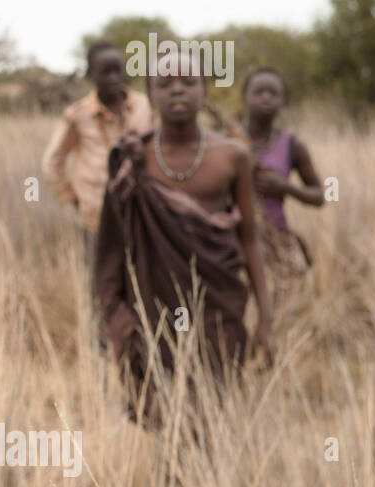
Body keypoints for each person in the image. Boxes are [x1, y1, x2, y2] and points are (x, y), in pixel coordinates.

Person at [93, 47, 272, 428]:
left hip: (217, 307)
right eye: (165, 83)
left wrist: (266, 319)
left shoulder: (233, 156)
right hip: (152, 309)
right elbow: (110, 248)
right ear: (150, 95)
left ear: (205, 92)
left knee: (212, 410)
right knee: (161, 413)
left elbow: (250, 240)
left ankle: (210, 467)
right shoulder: (130, 159)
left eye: (189, 82)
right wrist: (113, 313)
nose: (177, 89)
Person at [231, 67, 323, 314]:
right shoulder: (227, 140)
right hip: (232, 241)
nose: (266, 98)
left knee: (282, 311)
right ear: (245, 97)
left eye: (274, 93)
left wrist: (285, 187)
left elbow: (319, 196)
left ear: (283, 100)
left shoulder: (292, 145)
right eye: (259, 92)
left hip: (277, 241)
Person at [42, 41, 154, 236]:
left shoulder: (144, 105)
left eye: (117, 70)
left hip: (142, 212)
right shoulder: (77, 115)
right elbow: (52, 162)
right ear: (90, 74)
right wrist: (73, 199)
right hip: (97, 216)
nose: (113, 78)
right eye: (105, 72)